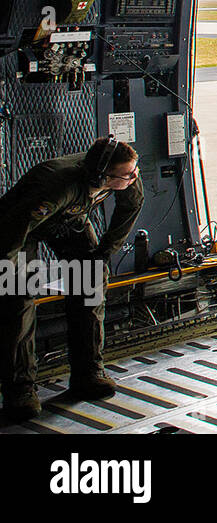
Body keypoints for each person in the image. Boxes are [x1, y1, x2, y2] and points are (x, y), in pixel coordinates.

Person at [0, 137, 143, 422]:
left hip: (70, 219)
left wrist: (104, 252)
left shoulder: (127, 175)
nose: (134, 177)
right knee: (18, 298)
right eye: (127, 174)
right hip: (17, 230)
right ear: (103, 176)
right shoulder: (56, 187)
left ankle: (88, 372)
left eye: (133, 171)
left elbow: (131, 207)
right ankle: (20, 389)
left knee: (90, 283)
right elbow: (11, 233)